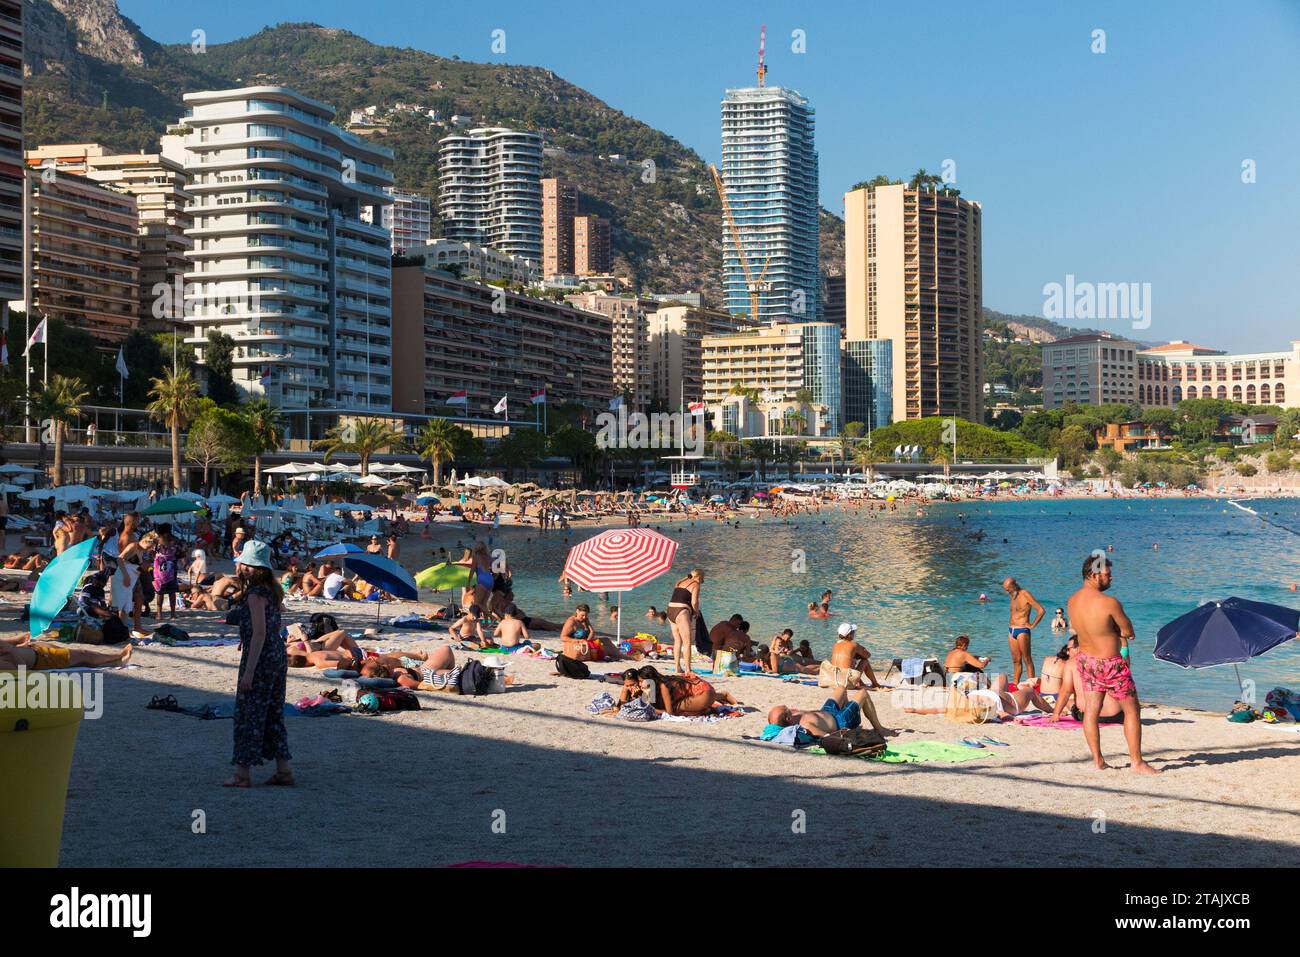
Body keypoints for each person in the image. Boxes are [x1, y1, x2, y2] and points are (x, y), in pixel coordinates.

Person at [1066, 554, 1159, 773]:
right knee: (1132, 711)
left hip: (1086, 662)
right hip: (1111, 664)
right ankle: (1137, 762)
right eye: (1108, 574)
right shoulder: (1109, 602)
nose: (1111, 578)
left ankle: (1098, 760)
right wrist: (1115, 630)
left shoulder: (1072, 601)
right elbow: (1128, 632)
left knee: (1091, 711)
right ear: (1095, 574)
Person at [224, 540, 293, 788]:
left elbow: (259, 634)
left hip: (261, 656)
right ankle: (283, 770)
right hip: (277, 654)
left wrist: (249, 672)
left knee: (248, 713)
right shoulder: (271, 591)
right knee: (273, 712)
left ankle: (242, 774)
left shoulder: (255, 595)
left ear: (248, 566)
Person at [767, 684, 890, 738]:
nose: (786, 706)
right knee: (863, 693)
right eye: (785, 709)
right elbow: (827, 736)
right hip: (841, 721)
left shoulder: (793, 714)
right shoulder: (806, 725)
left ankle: (849, 710)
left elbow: (774, 722)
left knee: (841, 688)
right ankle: (879, 729)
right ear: (788, 719)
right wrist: (847, 733)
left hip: (826, 711)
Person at [637, 665, 739, 716]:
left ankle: (705, 710)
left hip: (705, 695)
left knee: (676, 708)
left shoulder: (663, 686)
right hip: (706, 689)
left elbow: (670, 713)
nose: (640, 684)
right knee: (689, 696)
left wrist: (652, 710)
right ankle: (721, 695)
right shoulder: (664, 681)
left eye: (641, 681)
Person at [0, 635, 132, 670]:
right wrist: (12, 651)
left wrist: (17, 644)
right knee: (83, 654)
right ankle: (117, 656)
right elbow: (22, 671)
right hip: (43, 659)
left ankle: (117, 661)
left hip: (34, 648)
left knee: (78, 657)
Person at [1002, 577, 1045, 682]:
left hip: (1022, 630)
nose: (1006, 591)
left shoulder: (1025, 594)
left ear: (1014, 585)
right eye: (1005, 589)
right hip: (1011, 631)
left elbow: (1041, 610)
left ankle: (1031, 687)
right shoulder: (1013, 596)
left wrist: (1032, 625)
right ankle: (1015, 685)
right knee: (1016, 661)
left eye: (1008, 589)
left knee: (1027, 659)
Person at [819, 622, 882, 689]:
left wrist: (853, 656)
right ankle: (875, 684)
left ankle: (860, 683)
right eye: (853, 632)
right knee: (865, 661)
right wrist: (858, 655)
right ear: (849, 635)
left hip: (833, 679)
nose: (854, 633)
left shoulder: (835, 645)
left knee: (849, 661)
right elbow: (868, 655)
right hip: (846, 682)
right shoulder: (853, 645)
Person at [665, 568, 703, 675]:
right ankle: (688, 670)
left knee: (677, 641)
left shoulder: (680, 582)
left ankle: (677, 668)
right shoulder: (695, 584)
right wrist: (696, 612)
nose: (701, 582)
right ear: (698, 577)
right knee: (687, 642)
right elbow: (694, 602)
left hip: (670, 610)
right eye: (702, 579)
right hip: (681, 610)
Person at [151, 523, 181, 619]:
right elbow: (182, 552)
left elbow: (150, 552)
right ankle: (172, 613)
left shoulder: (156, 541)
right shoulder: (175, 540)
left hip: (159, 570)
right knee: (171, 592)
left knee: (160, 592)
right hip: (171, 569)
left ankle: (159, 613)